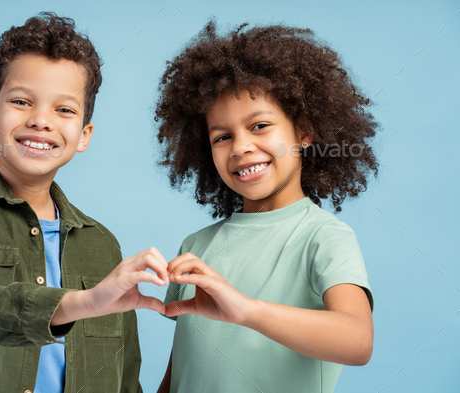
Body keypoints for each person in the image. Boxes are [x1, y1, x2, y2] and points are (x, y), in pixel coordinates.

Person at [0, 12, 169, 393]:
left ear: (83, 134)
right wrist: (85, 301)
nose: (41, 120)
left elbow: (125, 377)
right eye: (21, 101)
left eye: (64, 109)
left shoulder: (102, 244)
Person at [154, 20, 377, 393]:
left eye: (259, 126)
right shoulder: (196, 247)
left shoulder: (322, 237)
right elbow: (184, 368)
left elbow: (358, 341)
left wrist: (246, 310)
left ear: (303, 131)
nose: (240, 147)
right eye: (222, 136)